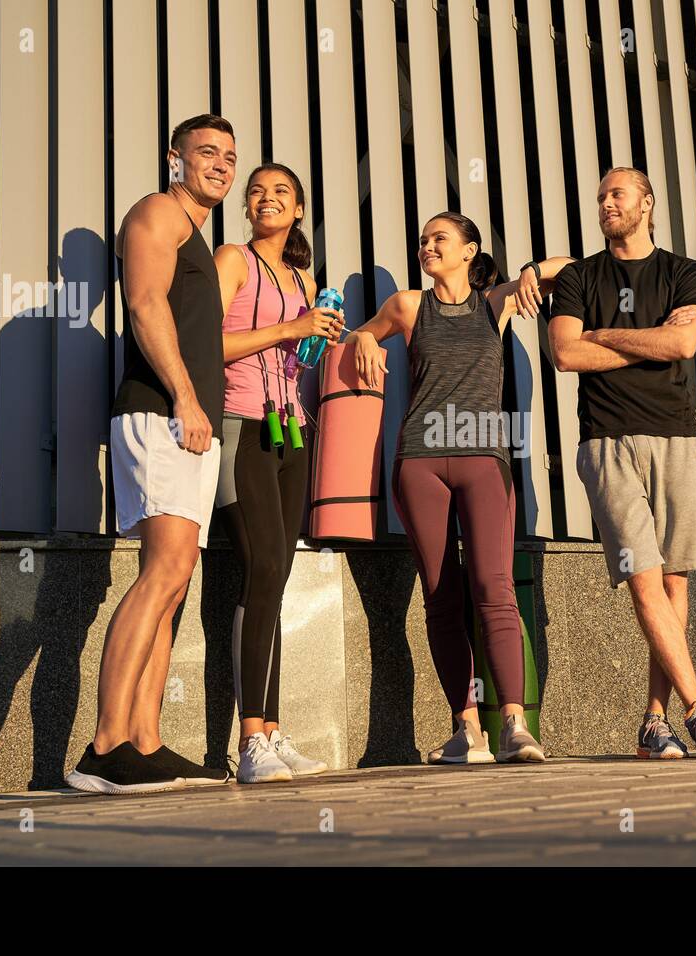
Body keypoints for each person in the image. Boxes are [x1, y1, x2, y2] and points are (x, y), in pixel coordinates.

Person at [348, 211, 572, 764]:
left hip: (483, 460)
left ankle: (516, 725)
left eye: (439, 239)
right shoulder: (407, 306)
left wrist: (527, 272)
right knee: (440, 595)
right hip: (419, 463)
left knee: (492, 588)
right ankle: (465, 729)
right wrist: (364, 340)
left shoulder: (493, 303)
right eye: (422, 240)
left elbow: (571, 267)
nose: (426, 246)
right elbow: (362, 333)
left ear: (469, 251)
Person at [67, 114, 238, 793]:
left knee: (172, 583)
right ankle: (105, 746)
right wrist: (186, 398)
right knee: (164, 572)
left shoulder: (195, 232)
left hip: (186, 420)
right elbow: (142, 303)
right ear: (176, 160)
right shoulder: (157, 214)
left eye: (229, 155)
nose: (221, 164)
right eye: (207, 152)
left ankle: (144, 739)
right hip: (161, 413)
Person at [545, 167, 696, 760]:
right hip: (607, 442)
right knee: (644, 577)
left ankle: (654, 722)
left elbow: (681, 345)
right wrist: (642, 336)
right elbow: (564, 353)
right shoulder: (579, 276)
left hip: (678, 437)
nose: (606, 203)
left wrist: (605, 334)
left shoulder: (684, 273)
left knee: (674, 578)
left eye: (617, 194)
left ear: (647, 204)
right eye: (600, 195)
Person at [211, 163, 344, 783]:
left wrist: (320, 340)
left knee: (279, 574)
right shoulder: (232, 259)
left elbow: (298, 356)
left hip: (292, 431)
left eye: (281, 192)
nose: (266, 198)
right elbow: (203, 344)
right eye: (257, 191)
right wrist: (292, 328)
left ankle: (272, 730)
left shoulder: (303, 277)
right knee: (262, 567)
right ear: (247, 207)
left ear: (298, 210)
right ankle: (248, 744)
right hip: (241, 426)